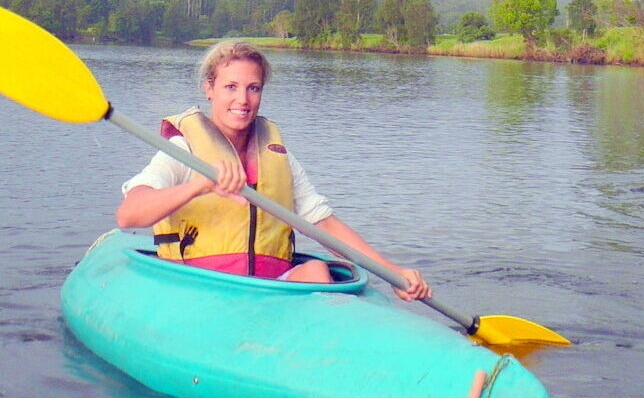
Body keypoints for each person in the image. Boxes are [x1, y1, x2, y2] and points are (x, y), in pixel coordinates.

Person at [116, 40, 431, 302]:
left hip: (271, 291)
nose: (243, 99)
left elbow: (325, 225)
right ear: (209, 89)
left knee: (317, 272)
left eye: (253, 88)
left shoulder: (278, 157)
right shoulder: (184, 151)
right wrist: (199, 185)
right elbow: (129, 215)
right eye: (231, 87)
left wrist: (393, 273)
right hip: (204, 290)